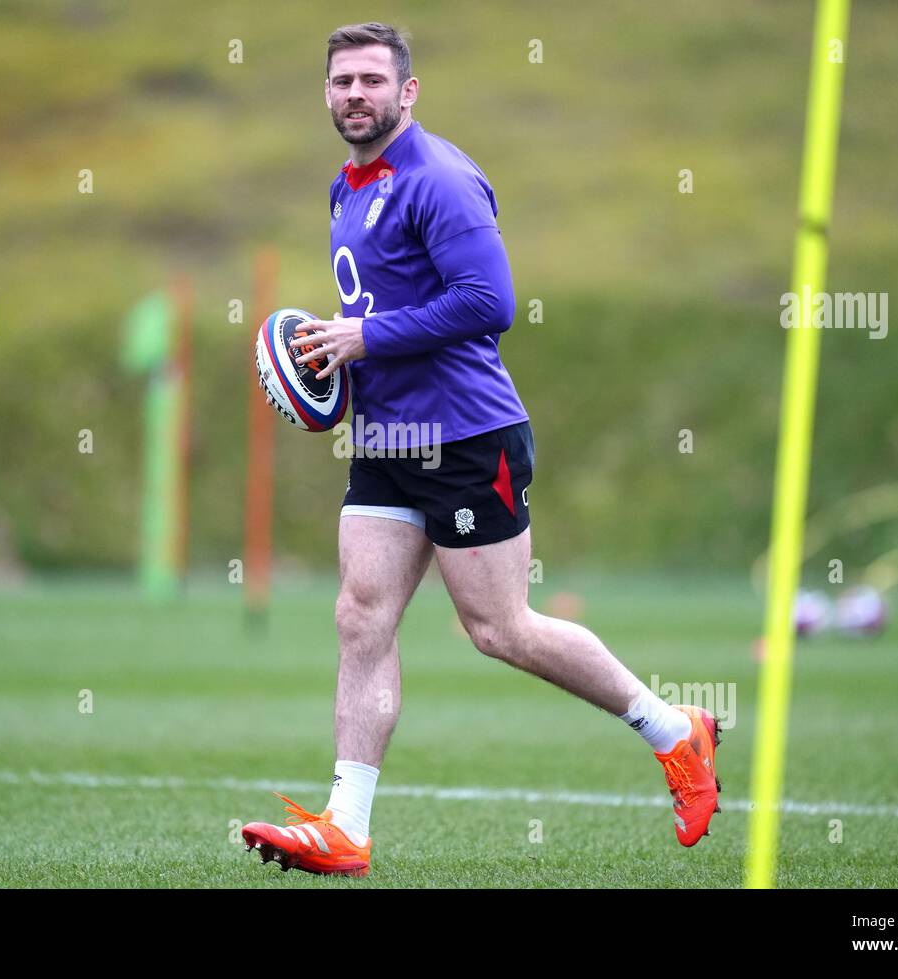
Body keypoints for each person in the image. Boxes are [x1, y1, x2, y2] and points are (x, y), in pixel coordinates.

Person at [242, 22, 721, 877]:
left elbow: (488, 301)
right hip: (388, 435)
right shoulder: (344, 189)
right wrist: (337, 353)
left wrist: (367, 337)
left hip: (468, 435)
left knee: (499, 628)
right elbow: (383, 308)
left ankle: (674, 729)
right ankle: (345, 824)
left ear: (407, 92)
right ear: (326, 93)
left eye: (372, 81)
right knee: (361, 614)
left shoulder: (441, 180)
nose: (355, 94)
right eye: (342, 81)